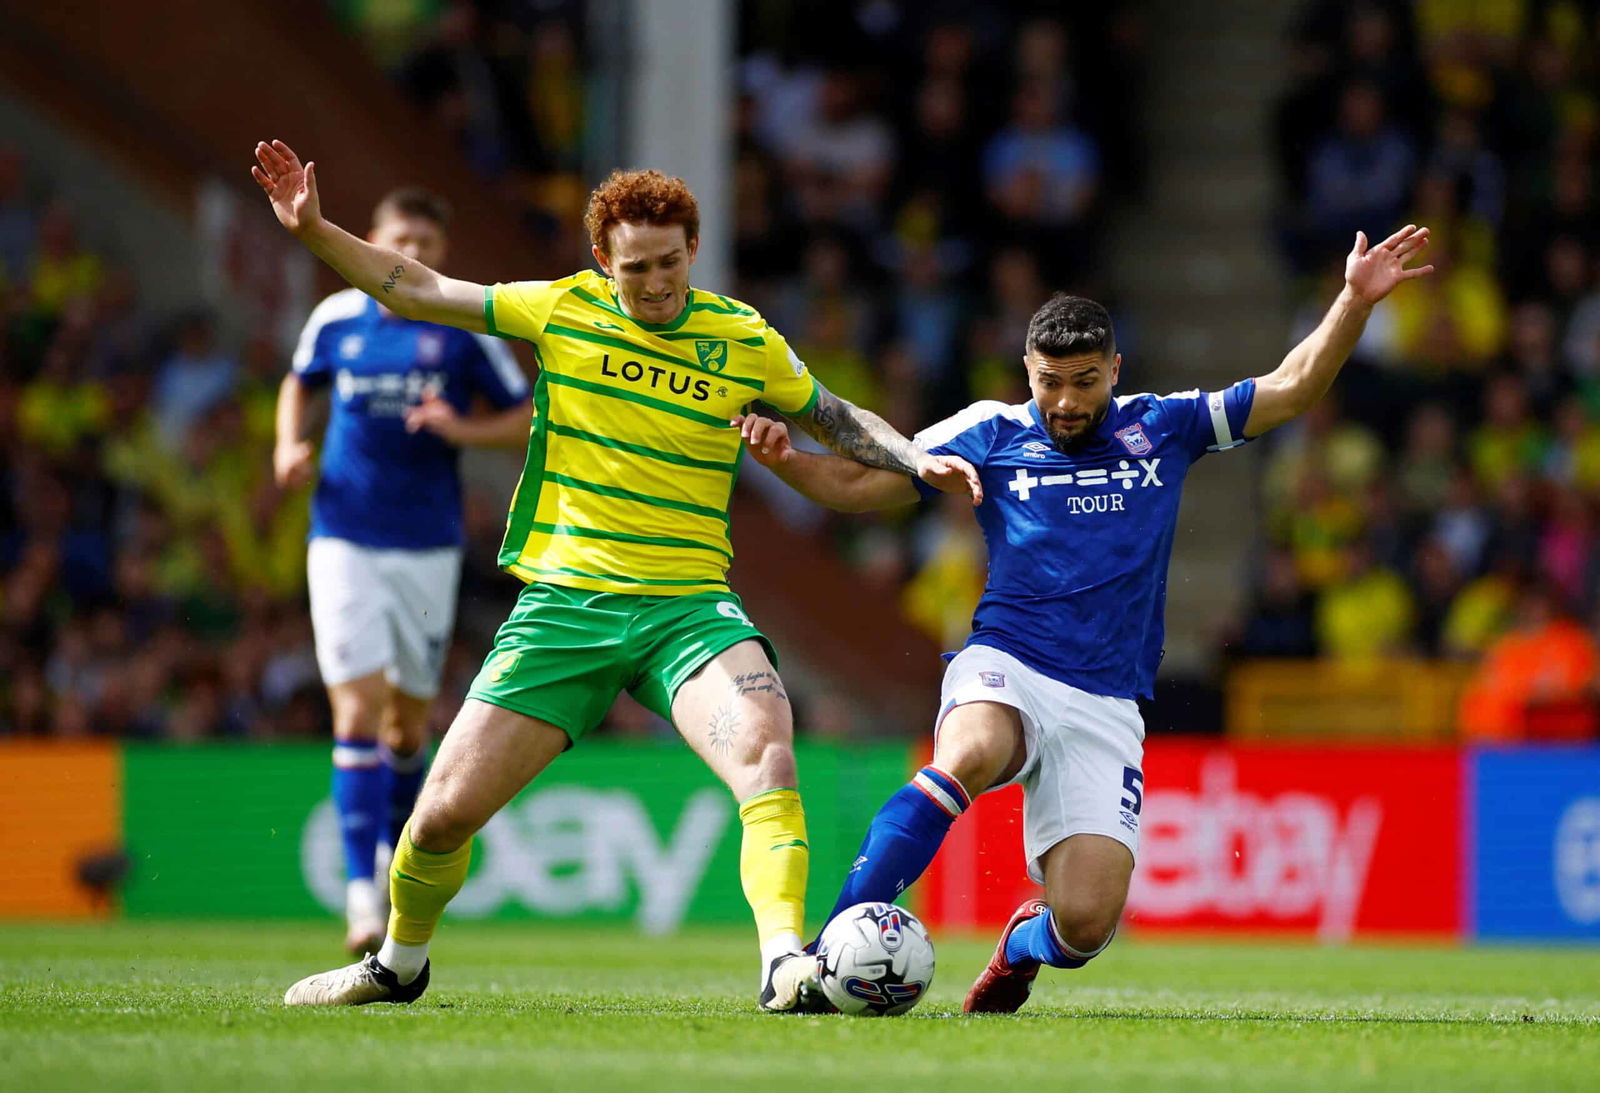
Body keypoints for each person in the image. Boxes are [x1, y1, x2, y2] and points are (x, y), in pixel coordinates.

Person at [250, 139, 980, 1011]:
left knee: (767, 752)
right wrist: (315, 229)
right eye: (637, 268)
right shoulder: (560, 309)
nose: (657, 283)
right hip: (566, 608)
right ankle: (397, 963)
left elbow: (833, 416)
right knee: (440, 815)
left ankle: (784, 963)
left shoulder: (744, 338)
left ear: (693, 250)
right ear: (604, 258)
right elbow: (417, 287)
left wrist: (914, 458)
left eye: (670, 263)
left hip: (689, 611)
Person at [738, 223, 1433, 1013]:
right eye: (1050, 382)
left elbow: (1292, 387)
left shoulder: (1163, 425)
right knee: (969, 750)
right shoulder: (990, 432)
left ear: (1115, 370)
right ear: (1027, 370)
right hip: (1008, 659)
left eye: (1084, 382)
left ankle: (1020, 945)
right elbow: (863, 486)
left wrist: (1353, 300)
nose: (1066, 402)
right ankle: (826, 956)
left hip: (1106, 699)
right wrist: (787, 462)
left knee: (1086, 924)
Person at [275, 186, 534, 956]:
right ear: (374, 240)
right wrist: (288, 445)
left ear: (442, 253)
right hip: (344, 537)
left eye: (426, 242)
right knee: (356, 713)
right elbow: (300, 381)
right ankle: (363, 895)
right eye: (400, 239)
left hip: (427, 545)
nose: (412, 253)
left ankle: (392, 860)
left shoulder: (461, 331)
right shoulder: (335, 319)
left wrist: (464, 429)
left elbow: (531, 412)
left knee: (406, 726)